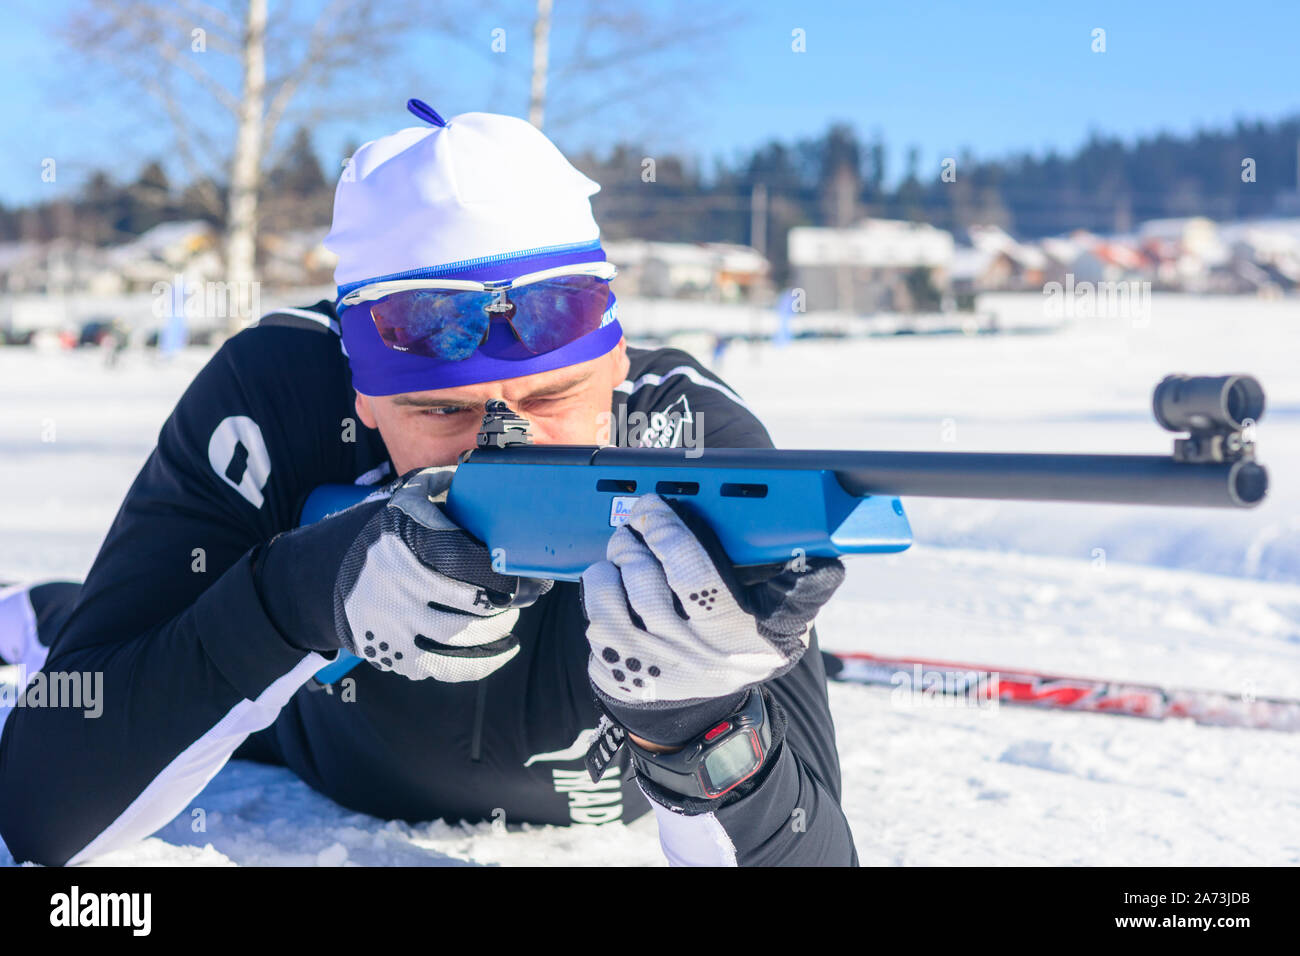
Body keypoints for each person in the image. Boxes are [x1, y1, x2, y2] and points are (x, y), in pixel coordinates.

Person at [0, 100, 856, 867]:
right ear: (364, 398)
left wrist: (696, 724)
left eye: (552, 398)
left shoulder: (694, 436)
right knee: (94, 629)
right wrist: (302, 593)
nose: (506, 445)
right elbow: (44, 814)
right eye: (443, 412)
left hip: (588, 787)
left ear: (617, 362)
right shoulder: (278, 396)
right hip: (300, 733)